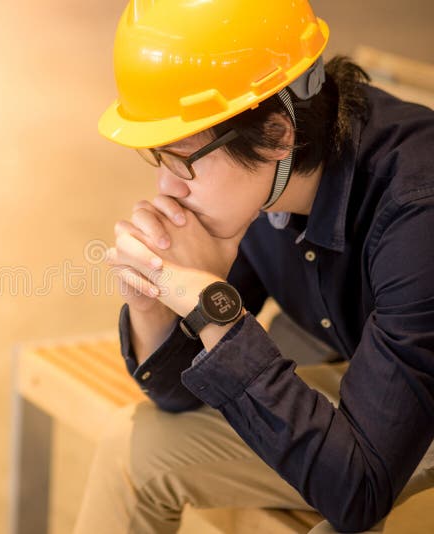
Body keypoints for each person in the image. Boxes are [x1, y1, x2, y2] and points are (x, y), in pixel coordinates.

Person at [75, 0, 434, 533]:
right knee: (133, 448)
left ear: (277, 135)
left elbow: (357, 492)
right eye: (157, 156)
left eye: (182, 158)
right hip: (386, 384)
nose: (166, 186)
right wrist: (152, 305)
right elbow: (178, 396)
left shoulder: (417, 212)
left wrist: (212, 310)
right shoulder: (260, 189)